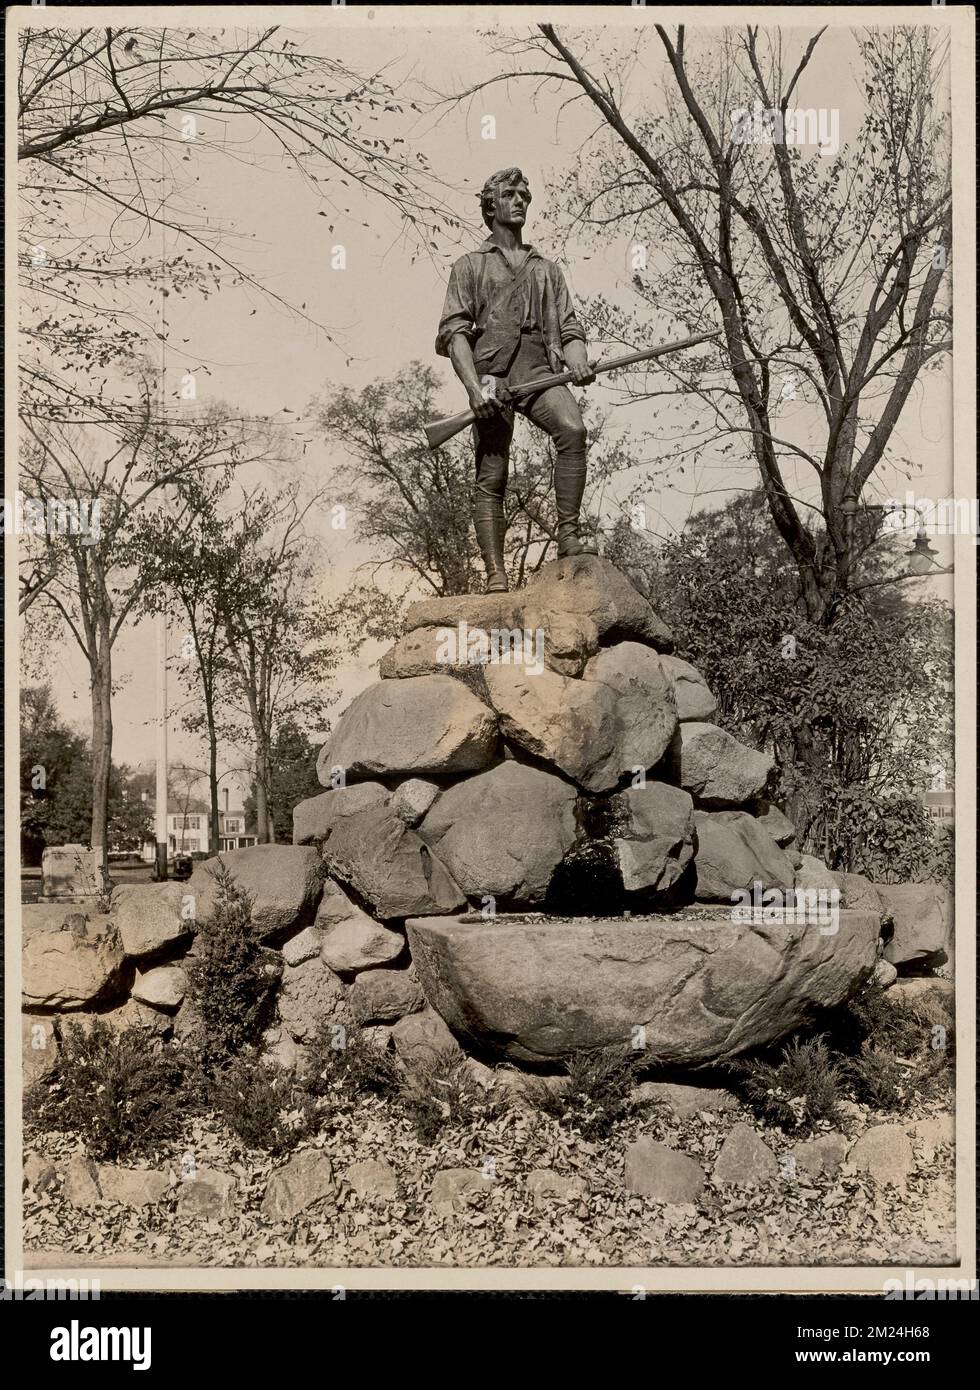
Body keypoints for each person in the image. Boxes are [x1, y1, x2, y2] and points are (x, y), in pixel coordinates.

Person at [436, 166, 597, 593]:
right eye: (510, 194)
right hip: (490, 374)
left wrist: (578, 359)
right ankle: (495, 573)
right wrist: (475, 390)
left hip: (540, 368)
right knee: (492, 475)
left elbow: (570, 326)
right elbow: (454, 334)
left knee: (573, 429)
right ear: (491, 206)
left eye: (524, 194)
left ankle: (568, 534)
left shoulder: (546, 268)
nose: (521, 199)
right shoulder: (470, 266)